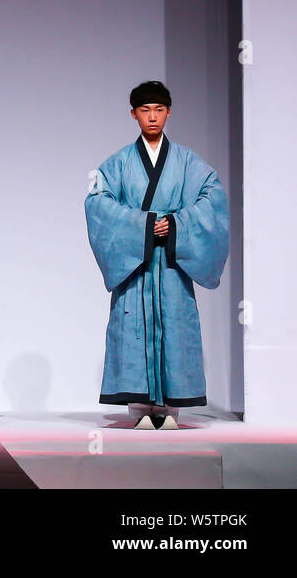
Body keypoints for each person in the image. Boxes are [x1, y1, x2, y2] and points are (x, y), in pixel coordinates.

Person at [84, 80, 229, 430]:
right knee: (132, 328)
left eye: (159, 110)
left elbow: (213, 197)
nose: (152, 117)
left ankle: (170, 410)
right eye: (145, 110)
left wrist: (177, 223)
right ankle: (141, 408)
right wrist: (144, 225)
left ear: (168, 112)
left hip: (171, 263)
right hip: (137, 263)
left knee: (176, 327)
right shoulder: (117, 163)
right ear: (133, 114)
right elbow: (97, 203)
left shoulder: (186, 161)